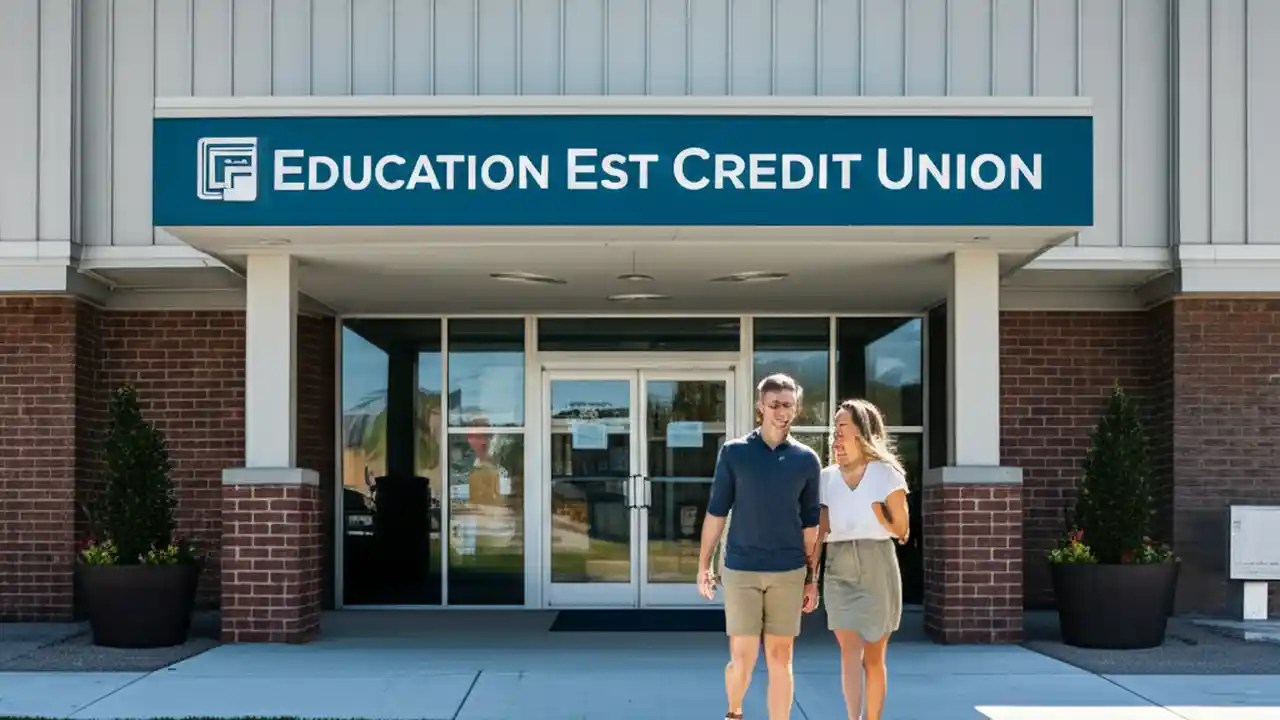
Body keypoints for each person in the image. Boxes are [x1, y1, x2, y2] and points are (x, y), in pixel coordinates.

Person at [697, 373, 823, 720]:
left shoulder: (807, 459)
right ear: (760, 407)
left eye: (788, 405)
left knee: (781, 658)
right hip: (741, 568)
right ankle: (734, 711)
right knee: (744, 658)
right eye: (774, 405)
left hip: (788, 570)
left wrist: (813, 578)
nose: (781, 411)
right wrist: (703, 564)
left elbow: (811, 525)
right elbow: (716, 512)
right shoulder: (735, 453)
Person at [815, 398, 910, 720]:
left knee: (873, 657)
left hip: (877, 564)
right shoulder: (826, 478)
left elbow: (902, 529)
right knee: (848, 652)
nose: (835, 436)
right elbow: (821, 532)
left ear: (862, 431)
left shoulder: (886, 474)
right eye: (834, 429)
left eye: (842, 428)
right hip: (838, 566)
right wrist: (810, 578)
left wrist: (880, 517)